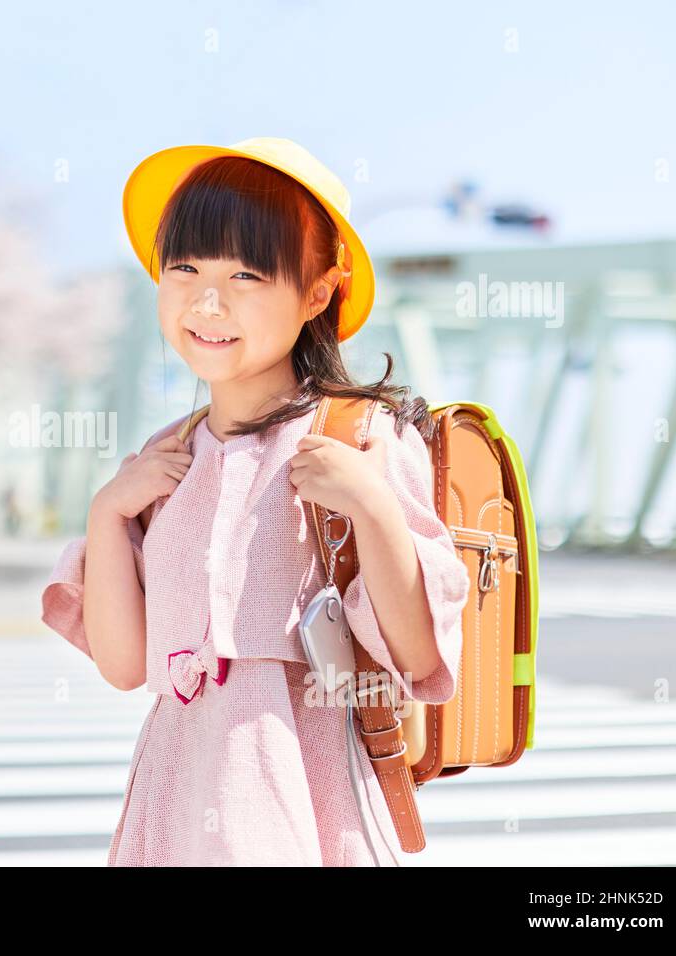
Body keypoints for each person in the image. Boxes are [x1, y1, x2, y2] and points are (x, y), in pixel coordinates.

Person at [39, 138, 470, 866]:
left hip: (308, 789)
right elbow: (124, 664)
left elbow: (418, 654)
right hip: (176, 796)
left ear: (316, 293)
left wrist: (373, 505)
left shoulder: (362, 439)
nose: (209, 300)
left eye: (247, 273)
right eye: (185, 268)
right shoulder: (161, 462)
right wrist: (108, 514)